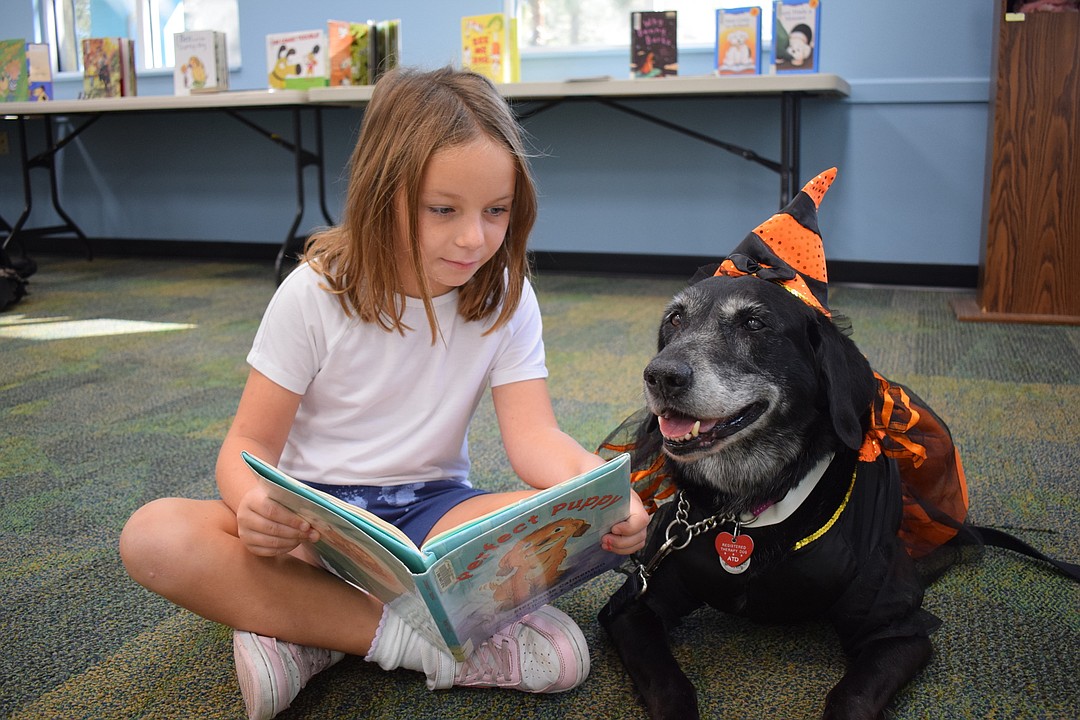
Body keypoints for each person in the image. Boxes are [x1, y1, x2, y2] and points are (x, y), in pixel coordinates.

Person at [119, 66, 650, 720]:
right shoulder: (313, 294)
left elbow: (534, 437)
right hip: (314, 521)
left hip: (433, 513)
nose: (474, 239)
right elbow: (248, 444)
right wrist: (255, 502)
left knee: (556, 533)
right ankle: (414, 643)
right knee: (154, 537)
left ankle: (307, 631)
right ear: (382, 193)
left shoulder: (507, 296)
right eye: (443, 210)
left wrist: (599, 492)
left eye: (496, 211)